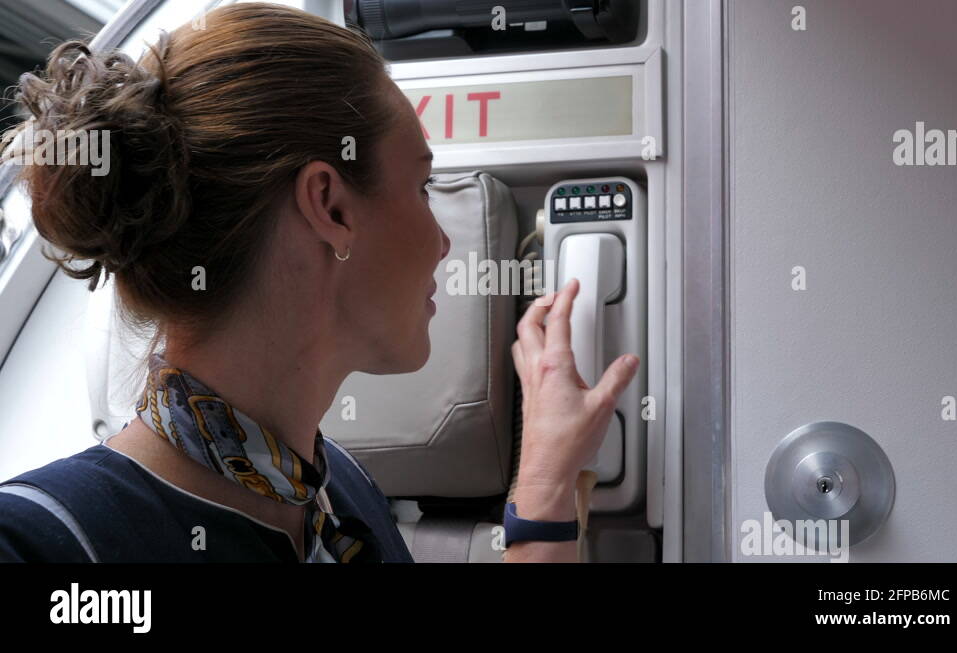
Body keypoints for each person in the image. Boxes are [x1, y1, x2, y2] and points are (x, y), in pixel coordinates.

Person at [0, 2, 638, 563]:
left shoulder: (341, 499)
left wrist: (546, 485)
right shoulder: (35, 543)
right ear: (331, 208)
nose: (444, 244)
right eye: (420, 187)